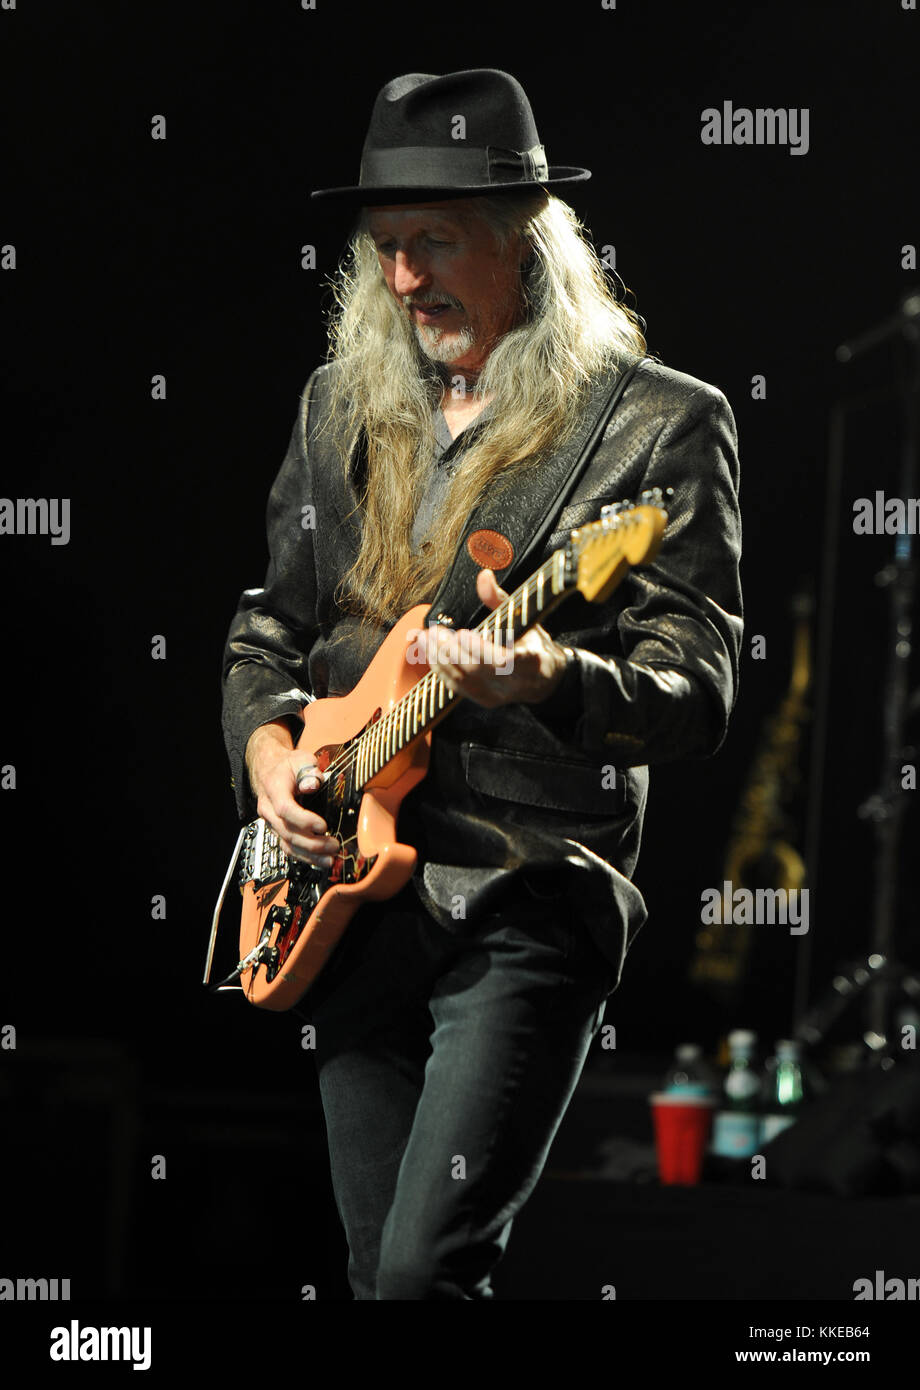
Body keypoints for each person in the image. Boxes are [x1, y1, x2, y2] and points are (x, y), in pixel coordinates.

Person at [220, 68, 743, 1299]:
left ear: (527, 243)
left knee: (420, 1272)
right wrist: (266, 762)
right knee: (372, 1276)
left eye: (435, 243)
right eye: (386, 249)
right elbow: (265, 634)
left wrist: (553, 674)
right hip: (342, 882)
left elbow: (699, 688)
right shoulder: (336, 409)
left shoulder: (656, 428)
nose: (403, 281)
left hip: (524, 890)